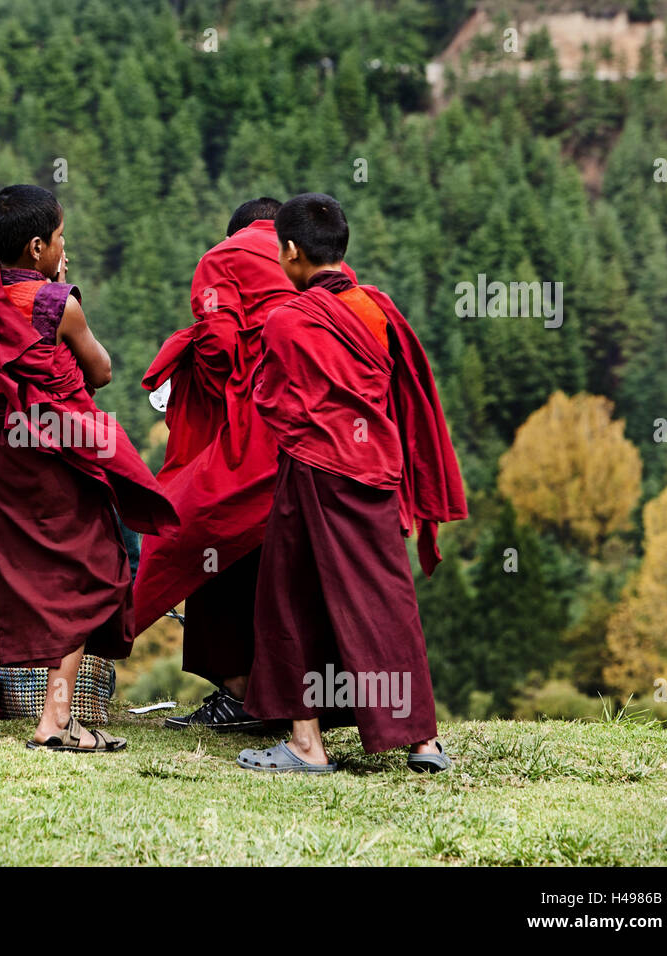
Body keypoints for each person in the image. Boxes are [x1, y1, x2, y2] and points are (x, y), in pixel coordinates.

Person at [0, 184, 178, 751]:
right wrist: (61, 295)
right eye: (61, 237)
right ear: (39, 246)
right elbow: (101, 371)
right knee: (88, 569)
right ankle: (55, 720)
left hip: (3, 450)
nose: (66, 246)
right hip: (59, 450)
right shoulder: (55, 303)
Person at [237, 193, 467, 774]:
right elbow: (406, 391)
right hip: (377, 468)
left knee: (289, 599)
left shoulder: (287, 320)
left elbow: (271, 400)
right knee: (386, 597)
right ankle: (422, 741)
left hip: (315, 471)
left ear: (290, 253)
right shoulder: (378, 309)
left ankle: (307, 745)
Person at [135, 198, 357, 732]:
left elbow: (217, 345)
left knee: (198, 537)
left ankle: (240, 693)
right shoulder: (336, 270)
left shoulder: (223, 257)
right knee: (303, 567)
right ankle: (319, 702)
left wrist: (216, 392)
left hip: (254, 432)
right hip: (328, 438)